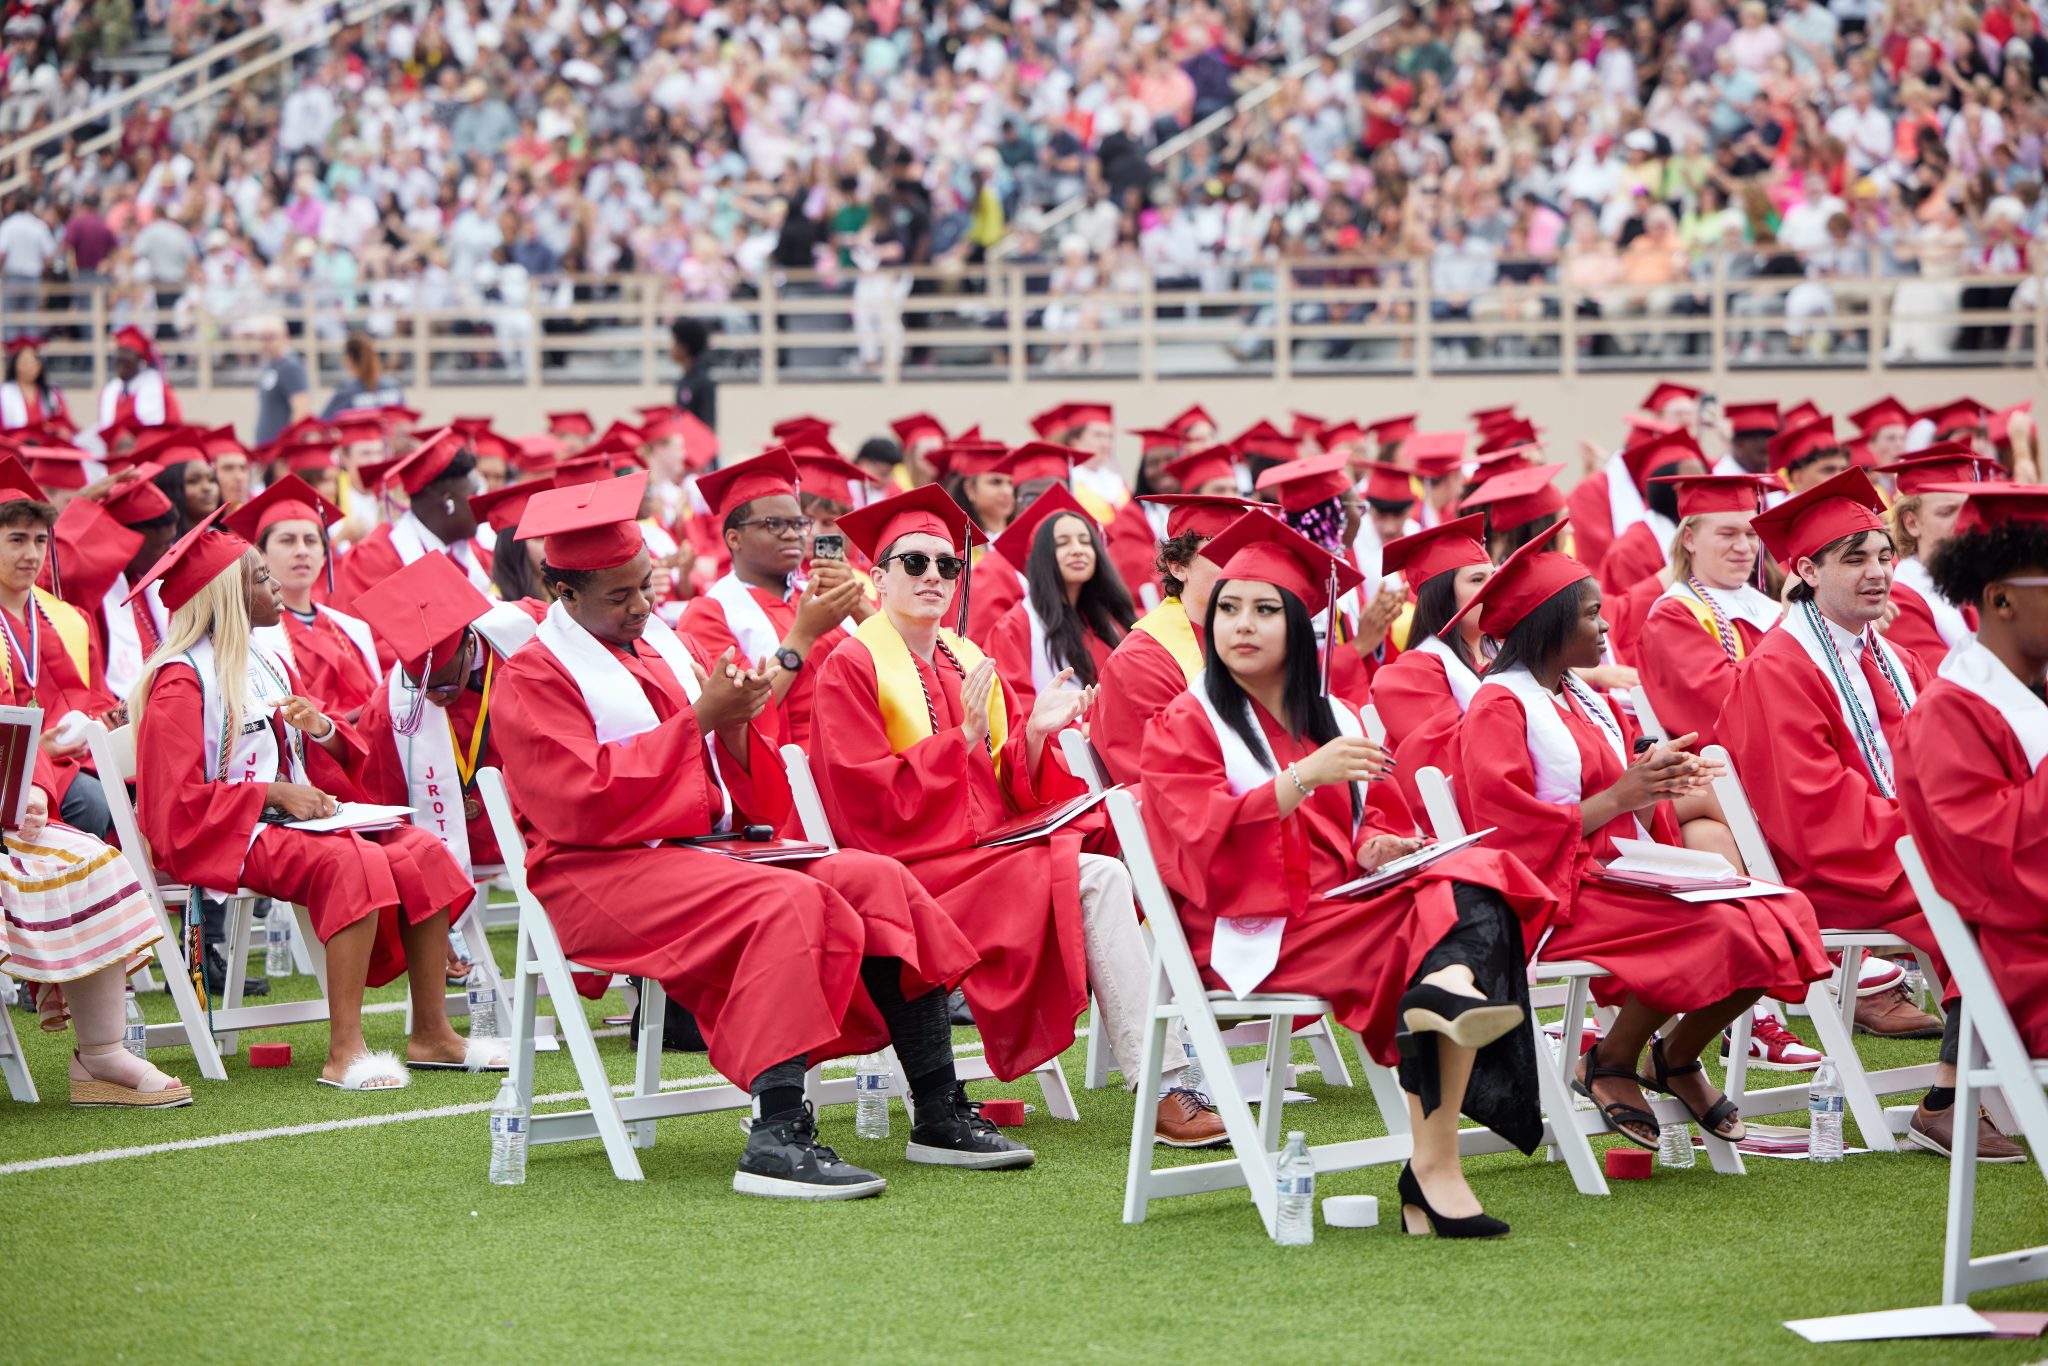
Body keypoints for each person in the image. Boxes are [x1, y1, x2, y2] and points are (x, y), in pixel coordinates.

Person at [493, 473, 1023, 1199]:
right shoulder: (534, 674)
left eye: (646, 586)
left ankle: (937, 1108)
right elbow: (579, 801)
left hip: (699, 852)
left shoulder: (658, 650)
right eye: (620, 596)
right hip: (596, 872)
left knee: (874, 878)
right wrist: (700, 722)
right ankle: (775, 1134)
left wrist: (735, 719)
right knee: (785, 904)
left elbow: (729, 781)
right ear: (565, 595)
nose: (643, 605)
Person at [1140, 512, 1556, 1237]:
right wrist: (1302, 778)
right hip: (1254, 926)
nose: (1242, 625)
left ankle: (1437, 1135)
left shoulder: (1330, 714)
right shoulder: (1190, 717)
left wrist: (1380, 846)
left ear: (1300, 627)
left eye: (1266, 610)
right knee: (1454, 921)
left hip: (1339, 908)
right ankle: (1434, 1168)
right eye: (1230, 608)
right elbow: (1195, 835)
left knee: (1475, 885)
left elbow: (1376, 818)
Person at [812, 484, 1225, 1147]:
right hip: (912, 875)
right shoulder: (851, 667)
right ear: (877, 574)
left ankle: (1172, 1076)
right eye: (913, 563)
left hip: (984, 856)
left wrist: (1032, 735)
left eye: (947, 565)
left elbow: (1005, 788)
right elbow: (868, 808)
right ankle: (1166, 1085)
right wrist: (964, 740)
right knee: (1099, 879)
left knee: (1111, 858)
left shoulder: (965, 658)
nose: (933, 578)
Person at [1459, 521, 1829, 1151]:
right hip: (1552, 893)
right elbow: (1503, 831)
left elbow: (1621, 798)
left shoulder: (1573, 697)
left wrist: (1657, 781)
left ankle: (1674, 1055)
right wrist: (1621, 795)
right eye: (1591, 615)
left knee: (1782, 912)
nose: (1606, 627)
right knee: (1721, 930)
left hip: (1621, 871)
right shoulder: (1501, 705)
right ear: (1548, 625)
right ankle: (1613, 1057)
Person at [1715, 470, 2018, 1157]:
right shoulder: (1779, 668)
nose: (1878, 572)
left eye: (1883, 555)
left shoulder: (1889, 656)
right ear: (1805, 571)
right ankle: (1948, 1100)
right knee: (1995, 898)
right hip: (1834, 865)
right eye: (1854, 559)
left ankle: (1983, 1080)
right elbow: (1815, 812)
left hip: (1902, 847)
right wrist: (1948, 836)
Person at [128, 510, 485, 1092]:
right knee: (355, 861)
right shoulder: (182, 681)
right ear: (229, 595)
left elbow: (324, 756)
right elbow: (173, 808)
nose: (276, 588)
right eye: (262, 579)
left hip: (282, 826)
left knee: (422, 850)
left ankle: (433, 1033)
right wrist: (269, 793)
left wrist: (320, 730)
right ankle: (345, 1050)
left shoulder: (265, 662)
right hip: (222, 834)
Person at [1898, 485, 2048, 1116]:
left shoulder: (2030, 694)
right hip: (2026, 964)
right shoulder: (1952, 712)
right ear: (2001, 599)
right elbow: (1995, 868)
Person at [351, 552, 537, 975]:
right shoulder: (390, 710)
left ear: (470, 642)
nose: (436, 696)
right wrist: (431, 911)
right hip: (453, 846)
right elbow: (384, 809)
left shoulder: (524, 643)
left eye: (447, 684)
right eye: (423, 689)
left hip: (529, 828)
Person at [677, 449, 867, 751]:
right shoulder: (709, 614)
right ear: (733, 539)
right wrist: (804, 634)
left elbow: (894, 665)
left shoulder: (823, 589)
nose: (792, 534)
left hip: (860, 757)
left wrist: (859, 604)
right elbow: (736, 717)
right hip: (792, 775)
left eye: (797, 523)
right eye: (773, 524)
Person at [1092, 493, 1263, 784]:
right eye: (1221, 552)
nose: (1238, 567)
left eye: (1244, 552)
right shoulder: (1140, 663)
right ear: (1177, 566)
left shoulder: (1253, 637)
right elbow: (1165, 782)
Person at [0, 457, 119, 841]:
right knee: (91, 802)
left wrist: (106, 722)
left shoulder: (70, 619)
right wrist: (38, 752)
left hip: (76, 758)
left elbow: (97, 697)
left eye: (39, 541)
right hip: (15, 767)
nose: (32, 555)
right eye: (16, 540)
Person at [1635, 475, 1781, 748]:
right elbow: (1729, 705)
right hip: (1731, 775)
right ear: (1689, 539)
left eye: (1751, 534)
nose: (1744, 547)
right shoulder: (1674, 617)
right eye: (1727, 534)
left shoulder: (1769, 607)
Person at [1369, 516, 1494, 819]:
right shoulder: (1412, 675)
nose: (1495, 588)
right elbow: (1447, 771)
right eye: (1478, 580)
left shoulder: (1505, 652)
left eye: (1495, 576)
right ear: (1442, 596)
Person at [227, 476, 381, 723]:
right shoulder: (248, 637)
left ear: (323, 554)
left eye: (310, 541)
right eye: (287, 540)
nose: (301, 551)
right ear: (260, 554)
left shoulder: (354, 629)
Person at [324, 430, 493, 633]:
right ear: (448, 502)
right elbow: (375, 646)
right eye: (473, 495)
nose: (482, 505)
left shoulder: (467, 552)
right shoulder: (373, 558)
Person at [985, 486, 1134, 709]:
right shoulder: (1014, 628)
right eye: (1062, 543)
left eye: (1085, 541)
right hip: (1057, 742)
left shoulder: (1104, 624)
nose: (1078, 550)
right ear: (1040, 558)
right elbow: (1014, 709)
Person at [1876, 447, 2001, 669]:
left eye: (1968, 510)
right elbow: (1948, 680)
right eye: (1946, 512)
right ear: (1912, 523)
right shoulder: (1899, 600)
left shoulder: (1976, 584)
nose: (1964, 522)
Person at [1564, 382, 1699, 574]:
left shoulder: (1653, 491)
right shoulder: (1590, 492)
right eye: (1679, 414)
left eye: (1691, 414)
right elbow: (1594, 565)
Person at [92, 326, 181, 454]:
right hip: (115, 458)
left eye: (128, 358)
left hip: (149, 454)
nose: (121, 363)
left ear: (140, 360)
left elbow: (171, 425)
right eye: (119, 357)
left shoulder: (159, 388)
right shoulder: (110, 391)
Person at [250, 315, 312, 448]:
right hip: (266, 446)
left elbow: (301, 409)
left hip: (279, 449)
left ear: (284, 336)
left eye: (270, 337)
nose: (266, 343)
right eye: (262, 338)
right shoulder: (269, 365)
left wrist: (286, 444)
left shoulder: (290, 366)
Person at [321, 333, 406, 420]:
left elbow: (323, 422)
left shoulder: (347, 391)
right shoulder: (393, 386)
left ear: (349, 358)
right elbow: (405, 420)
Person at [1, 336, 73, 437]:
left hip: (45, 448)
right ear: (15, 365)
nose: (29, 367)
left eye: (33, 361)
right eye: (24, 362)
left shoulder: (52, 394)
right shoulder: (4, 393)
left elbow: (63, 421)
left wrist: (60, 430)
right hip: (14, 448)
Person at [669, 317, 716, 434]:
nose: (671, 348)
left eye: (675, 343)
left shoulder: (704, 382)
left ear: (685, 347)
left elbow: (708, 427)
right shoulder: (682, 381)